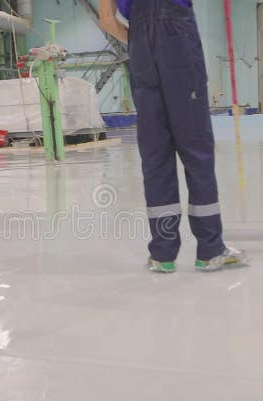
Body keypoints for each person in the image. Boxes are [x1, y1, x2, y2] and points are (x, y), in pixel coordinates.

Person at [99, 0, 246, 273]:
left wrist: (141, 38)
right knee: (196, 149)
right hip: (177, 35)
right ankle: (210, 250)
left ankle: (162, 254)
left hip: (139, 44)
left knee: (156, 153)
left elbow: (107, 20)